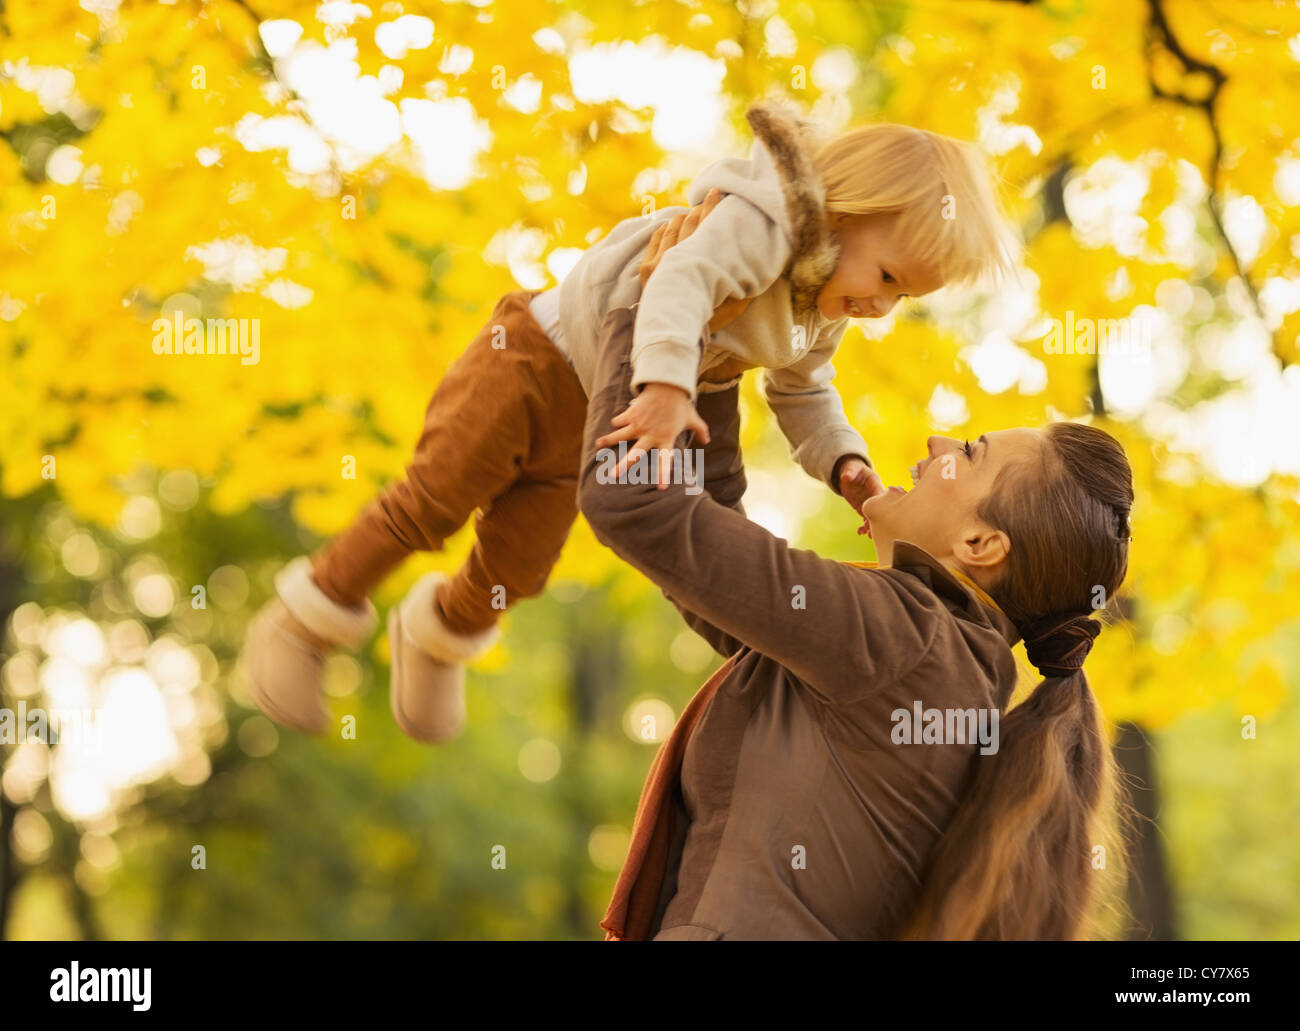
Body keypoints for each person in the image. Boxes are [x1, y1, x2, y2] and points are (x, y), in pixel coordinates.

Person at [240, 94, 1018, 745]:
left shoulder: (825, 305)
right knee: (430, 503)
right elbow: (678, 278)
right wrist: (671, 385)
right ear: (846, 211)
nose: (881, 306)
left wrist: (844, 463)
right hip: (534, 363)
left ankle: (439, 629)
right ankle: (308, 616)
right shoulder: (765, 228)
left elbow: (806, 391)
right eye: (885, 276)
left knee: (520, 566)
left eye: (903, 297)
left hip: (597, 428)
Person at [584, 198, 1135, 941]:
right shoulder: (935, 660)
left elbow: (635, 504)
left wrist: (645, 313)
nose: (939, 440)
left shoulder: (906, 640)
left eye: (968, 453)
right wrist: (710, 349)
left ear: (981, 545)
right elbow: (712, 571)